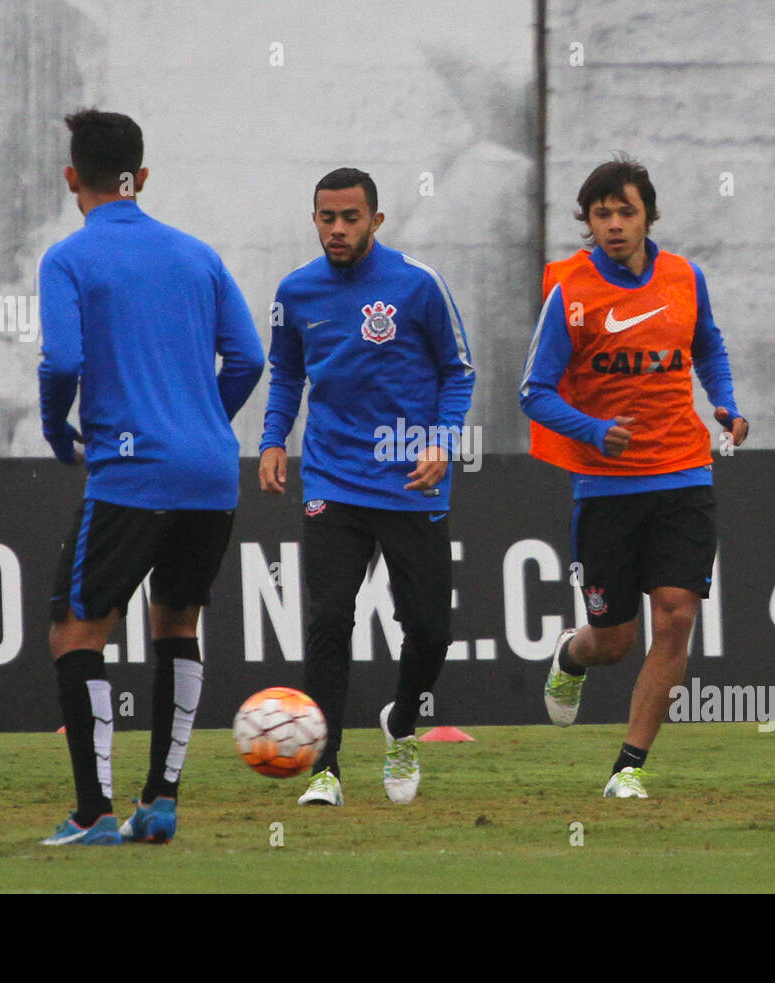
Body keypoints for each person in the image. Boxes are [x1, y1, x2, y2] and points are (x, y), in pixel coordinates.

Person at [37, 109, 264, 844]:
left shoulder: (68, 258)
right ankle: (160, 801)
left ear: (73, 177)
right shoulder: (197, 255)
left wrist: (54, 428)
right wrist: (202, 419)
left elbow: (63, 362)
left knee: (76, 632)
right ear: (143, 176)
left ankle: (94, 813)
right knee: (178, 623)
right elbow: (251, 359)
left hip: (131, 473)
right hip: (210, 474)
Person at [519, 155, 747, 798]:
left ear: (649, 214)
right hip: (606, 486)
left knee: (676, 617)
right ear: (587, 222)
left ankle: (628, 767)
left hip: (683, 471)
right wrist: (592, 429)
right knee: (614, 642)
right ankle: (572, 655)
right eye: (601, 214)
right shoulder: (569, 290)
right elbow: (532, 392)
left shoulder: (684, 277)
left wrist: (724, 402)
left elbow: (708, 346)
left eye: (626, 211)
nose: (614, 224)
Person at [259, 167, 475, 806]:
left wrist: (442, 441)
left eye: (351, 218)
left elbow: (457, 372)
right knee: (329, 620)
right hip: (333, 480)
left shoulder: (416, 285)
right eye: (327, 217)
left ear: (376, 220)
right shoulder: (296, 291)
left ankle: (402, 723)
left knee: (431, 630)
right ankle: (326, 768)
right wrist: (274, 438)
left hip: (411, 478)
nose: (337, 229)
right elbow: (285, 375)